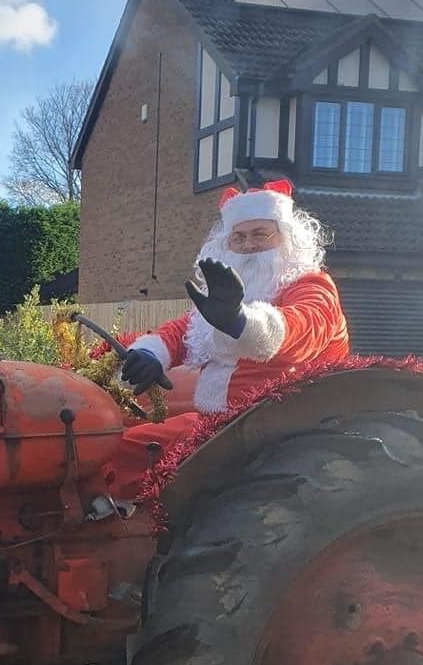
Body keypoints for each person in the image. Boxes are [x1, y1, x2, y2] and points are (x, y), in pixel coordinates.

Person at [107, 179, 349, 497]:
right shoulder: (232, 295)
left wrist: (241, 321)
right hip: (225, 422)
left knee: (120, 453)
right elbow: (186, 329)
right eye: (239, 237)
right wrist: (152, 354)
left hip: (274, 425)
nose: (248, 246)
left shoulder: (312, 287)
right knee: (110, 436)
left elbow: (302, 328)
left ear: (287, 239)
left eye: (260, 234)